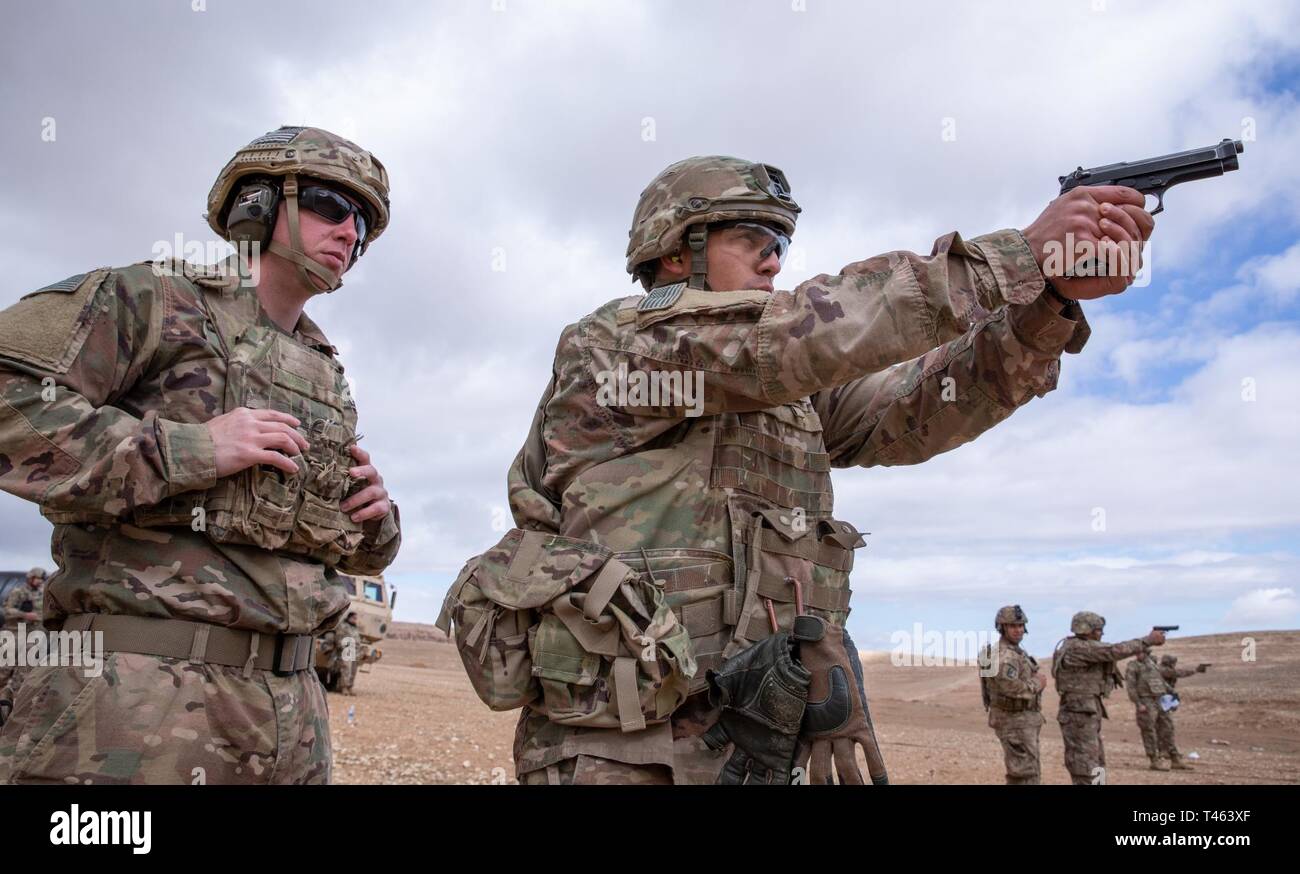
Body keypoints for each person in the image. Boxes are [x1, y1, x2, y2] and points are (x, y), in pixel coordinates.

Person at [440, 155, 1154, 785]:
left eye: (780, 242)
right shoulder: (617, 348)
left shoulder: (786, 391)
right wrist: (1013, 257)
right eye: (752, 239)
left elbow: (919, 409)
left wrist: (1047, 305)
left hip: (756, 733)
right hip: (622, 752)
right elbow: (794, 336)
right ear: (673, 252)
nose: (774, 259)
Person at [0, 126, 400, 784]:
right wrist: (190, 449)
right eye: (331, 204)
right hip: (137, 700)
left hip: (291, 712)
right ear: (260, 206)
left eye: (364, 224)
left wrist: (371, 517)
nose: (351, 233)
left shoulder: (324, 366)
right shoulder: (154, 300)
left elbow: (310, 543)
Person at [1053, 612, 1165, 785]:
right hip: (1079, 713)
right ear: (1087, 630)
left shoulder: (1081, 646)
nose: (1101, 634)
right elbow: (1114, 651)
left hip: (1086, 710)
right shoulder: (1078, 648)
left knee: (1096, 760)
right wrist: (1147, 640)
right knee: (1085, 764)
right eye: (1098, 630)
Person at [979, 605, 1044, 784]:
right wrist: (1037, 683)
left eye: (1021, 625)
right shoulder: (1006, 656)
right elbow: (1011, 688)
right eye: (1013, 626)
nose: (1019, 630)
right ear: (1002, 628)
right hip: (1015, 722)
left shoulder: (1011, 652)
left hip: (1018, 721)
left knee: (1023, 773)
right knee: (1025, 774)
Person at [1156, 654, 1209, 770]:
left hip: (1164, 699)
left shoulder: (1161, 669)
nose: (1174, 665)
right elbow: (1178, 673)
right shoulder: (1163, 670)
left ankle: (1163, 750)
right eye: (1173, 663)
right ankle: (1165, 751)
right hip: (1162, 699)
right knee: (1166, 726)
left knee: (1162, 726)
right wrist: (1195, 670)